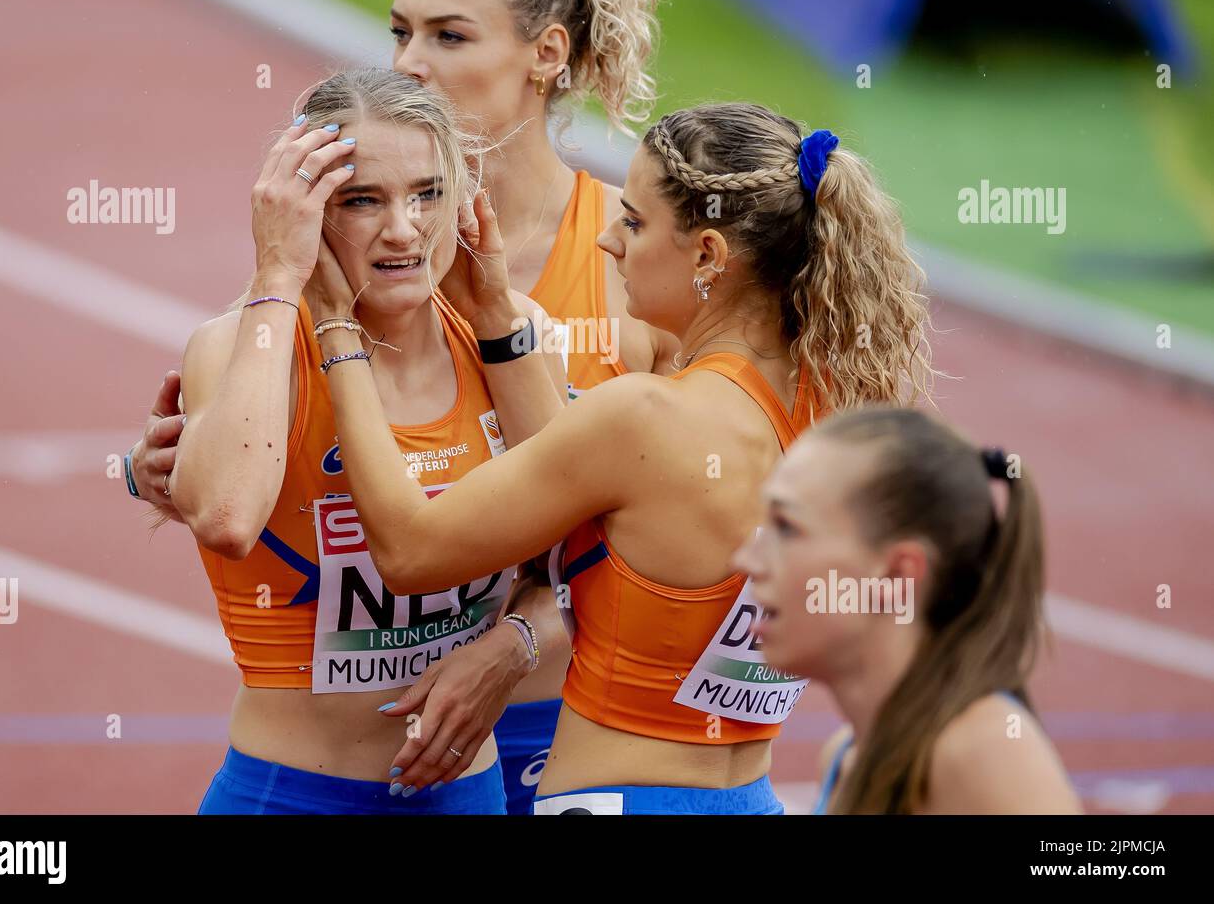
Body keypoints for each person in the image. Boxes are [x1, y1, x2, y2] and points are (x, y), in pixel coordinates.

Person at [125, 0, 669, 812]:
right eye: (398, 32)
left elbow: (678, 529)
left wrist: (518, 644)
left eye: (448, 36)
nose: (411, 64)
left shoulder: (633, 254)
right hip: (361, 747)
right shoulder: (347, 260)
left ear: (545, 55)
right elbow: (251, 464)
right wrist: (153, 469)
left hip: (573, 733)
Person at [296, 101, 935, 813]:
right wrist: (501, 323)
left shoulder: (645, 417)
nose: (605, 240)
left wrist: (336, 334)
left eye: (632, 221)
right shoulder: (847, 418)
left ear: (708, 257)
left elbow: (411, 552)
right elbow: (573, 482)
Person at [171, 67, 567, 813]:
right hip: (291, 793)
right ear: (306, 212)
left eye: (427, 194)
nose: (404, 228)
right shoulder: (242, 346)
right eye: (362, 201)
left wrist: (513, 645)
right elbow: (227, 516)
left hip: (465, 792)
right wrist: (279, 274)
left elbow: (584, 564)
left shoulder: (514, 336)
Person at [734, 406, 1081, 814]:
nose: (748, 560)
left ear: (897, 575)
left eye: (787, 527)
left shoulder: (982, 753)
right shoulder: (847, 757)